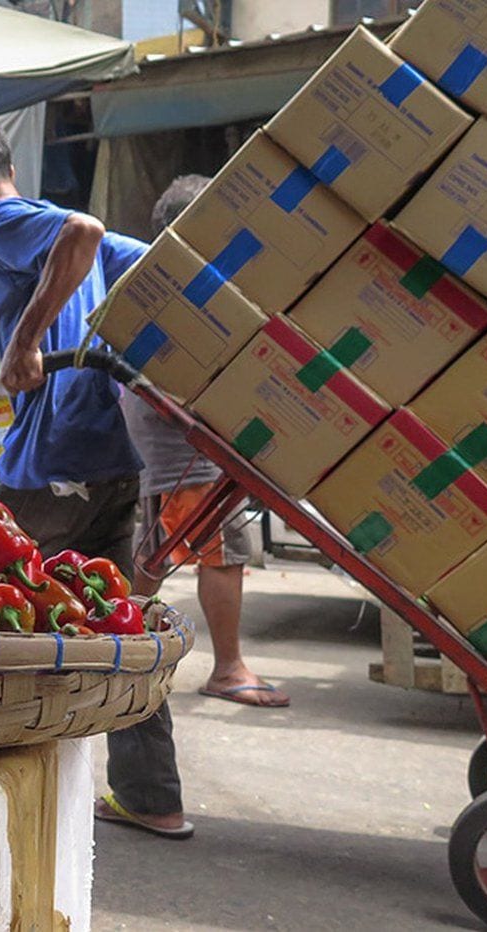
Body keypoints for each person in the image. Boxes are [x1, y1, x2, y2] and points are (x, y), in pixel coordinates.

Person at [0, 107, 190, 839]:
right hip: (116, 452)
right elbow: (148, 261)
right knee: (115, 626)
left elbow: (84, 232)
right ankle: (151, 795)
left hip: (57, 455)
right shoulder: (37, 235)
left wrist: (24, 341)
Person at [121, 176, 289, 709]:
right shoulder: (178, 288)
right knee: (219, 555)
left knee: (154, 553)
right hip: (184, 444)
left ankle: (114, 637)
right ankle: (226, 667)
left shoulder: (162, 284)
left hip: (175, 441)